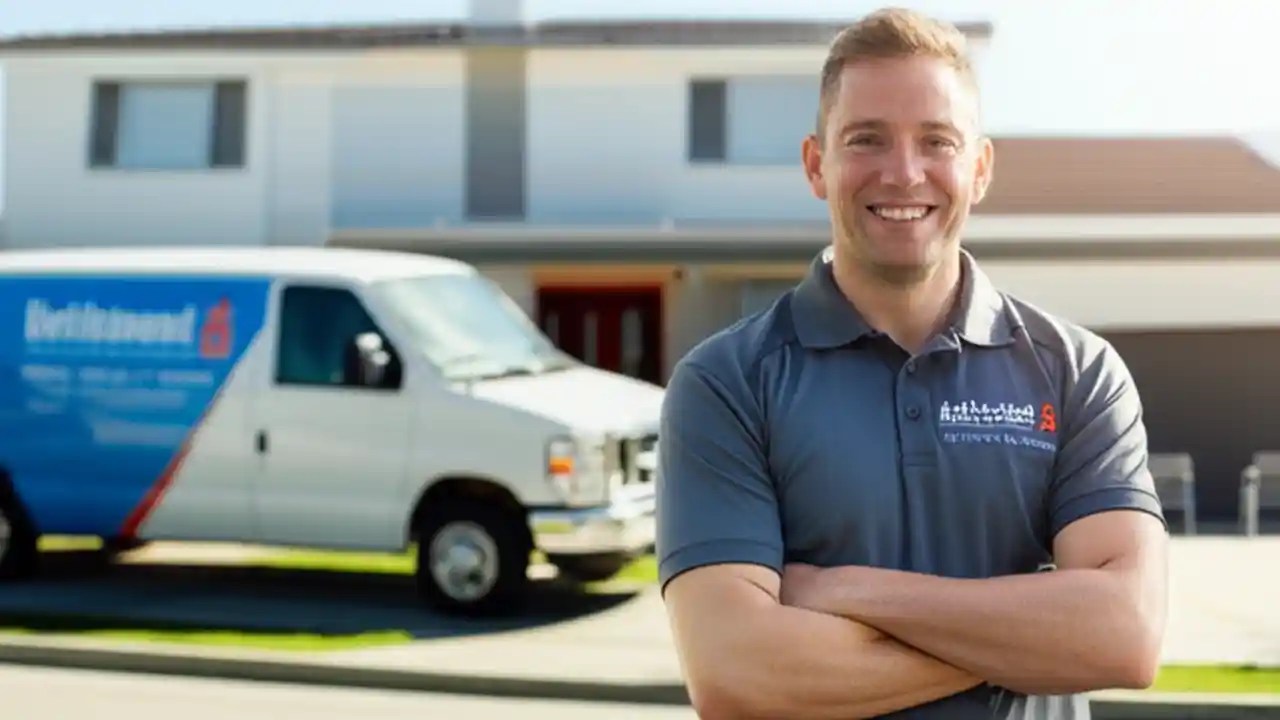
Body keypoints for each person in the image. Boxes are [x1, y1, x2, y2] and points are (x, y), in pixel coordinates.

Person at [655, 7, 1168, 719]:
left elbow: (1125, 634)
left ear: (979, 169)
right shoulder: (726, 384)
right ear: (816, 164)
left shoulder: (1078, 372)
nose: (903, 173)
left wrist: (850, 592)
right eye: (867, 139)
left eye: (937, 141)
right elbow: (736, 673)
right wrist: (1031, 641)